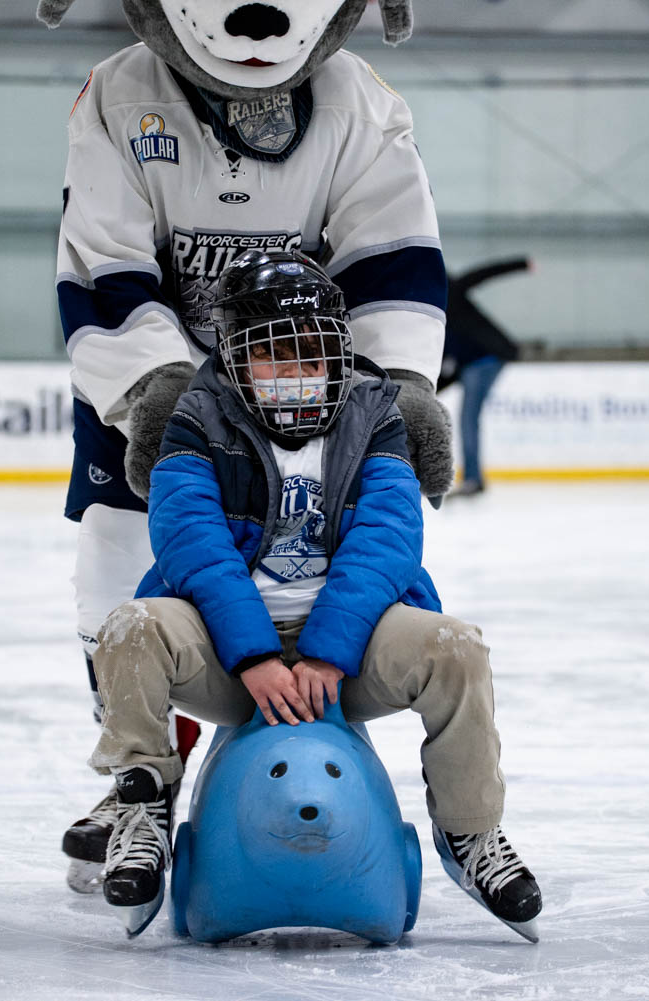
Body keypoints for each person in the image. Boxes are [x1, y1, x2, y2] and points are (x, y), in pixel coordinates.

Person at [36, 0, 454, 892]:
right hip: (155, 382)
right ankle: (141, 777)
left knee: (312, 544)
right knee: (117, 546)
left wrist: (399, 386)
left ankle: (310, 716)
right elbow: (104, 255)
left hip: (302, 387)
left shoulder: (360, 104)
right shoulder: (116, 95)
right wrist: (152, 385)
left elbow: (391, 252)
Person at [87, 250, 542, 940]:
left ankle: (469, 831)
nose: (297, 372)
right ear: (235, 359)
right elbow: (194, 548)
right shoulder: (194, 418)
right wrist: (255, 656)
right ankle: (142, 807)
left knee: (456, 648)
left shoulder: (376, 416)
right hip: (228, 653)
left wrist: (329, 653)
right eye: (273, 355)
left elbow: (388, 540)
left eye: (312, 353)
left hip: (351, 656)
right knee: (130, 629)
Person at [437, 257, 532, 497]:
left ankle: (473, 480)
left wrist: (520, 264)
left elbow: (482, 273)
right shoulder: (433, 316)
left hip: (485, 357)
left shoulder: (451, 291)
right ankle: (472, 478)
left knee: (468, 418)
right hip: (471, 364)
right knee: (468, 418)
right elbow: (450, 366)